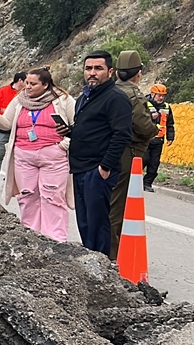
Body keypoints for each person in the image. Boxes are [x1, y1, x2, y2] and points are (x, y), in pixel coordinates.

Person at [0, 68, 76, 241]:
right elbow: (6, 123)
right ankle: (31, 235)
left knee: (52, 197)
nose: (27, 87)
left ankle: (55, 238)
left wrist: (64, 145)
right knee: (27, 195)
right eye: (27, 82)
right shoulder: (19, 100)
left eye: (33, 84)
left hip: (54, 156)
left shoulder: (64, 100)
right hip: (23, 156)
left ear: (46, 84)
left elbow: (77, 126)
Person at [57, 50, 131, 255]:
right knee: (85, 222)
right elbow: (92, 129)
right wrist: (70, 131)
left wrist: (105, 166)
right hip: (80, 167)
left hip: (98, 169)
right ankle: (90, 264)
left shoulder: (116, 98)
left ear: (110, 71)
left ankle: (102, 269)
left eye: (98, 68)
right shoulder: (85, 97)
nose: (92, 73)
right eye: (88, 68)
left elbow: (122, 134)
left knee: (98, 223)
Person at [108, 50, 158, 259]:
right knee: (117, 203)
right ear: (138, 73)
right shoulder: (133, 94)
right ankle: (111, 252)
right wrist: (154, 130)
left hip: (105, 149)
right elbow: (142, 124)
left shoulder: (108, 90)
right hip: (127, 150)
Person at [0, 72, 25, 190]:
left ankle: (9, 180)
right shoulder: (0, 92)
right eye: (26, 82)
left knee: (15, 156)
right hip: (2, 128)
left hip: (18, 129)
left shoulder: (25, 95)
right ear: (20, 81)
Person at [143, 83, 176, 192]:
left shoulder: (166, 107)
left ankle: (147, 183)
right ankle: (133, 180)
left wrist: (170, 137)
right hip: (145, 140)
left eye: (163, 95)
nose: (161, 97)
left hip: (158, 141)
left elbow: (170, 124)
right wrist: (150, 117)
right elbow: (137, 119)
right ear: (152, 94)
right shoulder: (144, 104)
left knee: (154, 163)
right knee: (144, 160)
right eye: (158, 95)